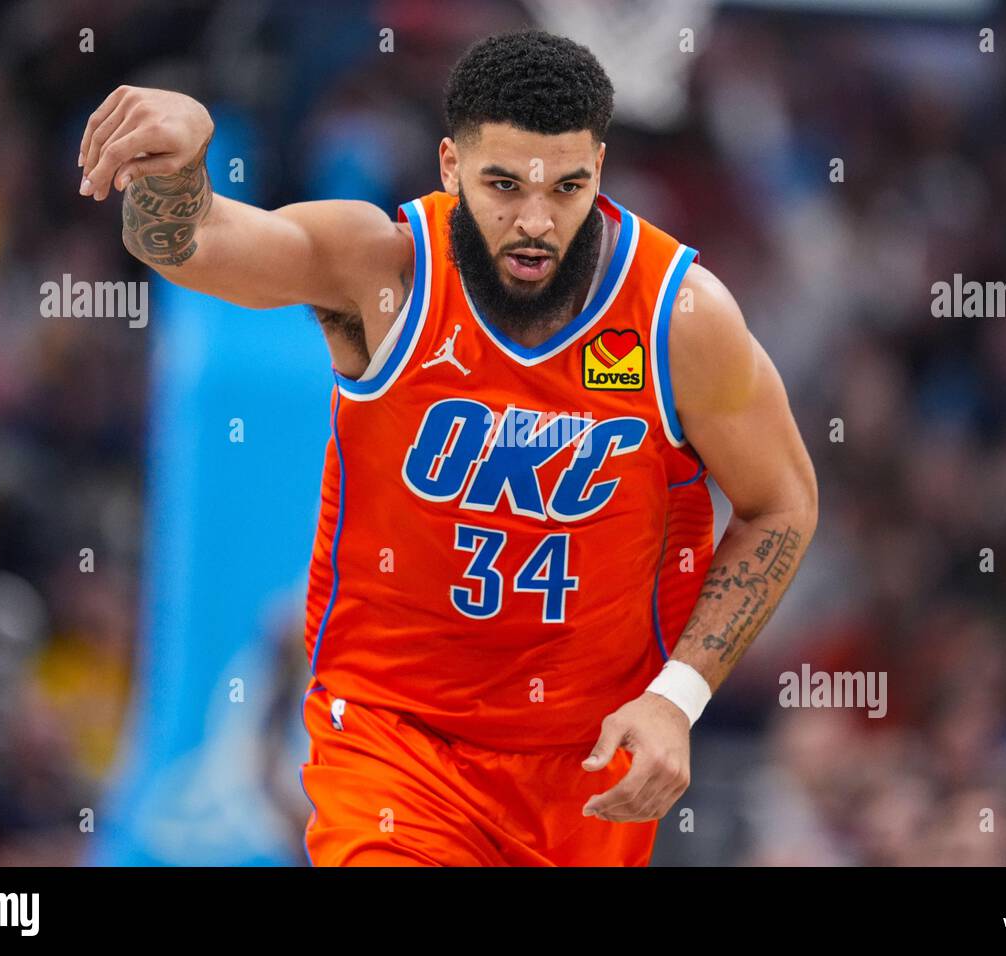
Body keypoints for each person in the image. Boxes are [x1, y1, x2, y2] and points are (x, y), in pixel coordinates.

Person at [77, 29, 818, 866]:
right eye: (503, 185)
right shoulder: (383, 271)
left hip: (583, 760)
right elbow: (192, 243)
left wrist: (677, 699)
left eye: (566, 187)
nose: (536, 222)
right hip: (395, 740)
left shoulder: (680, 319)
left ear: (599, 173)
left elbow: (782, 503)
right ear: (448, 166)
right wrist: (173, 173)